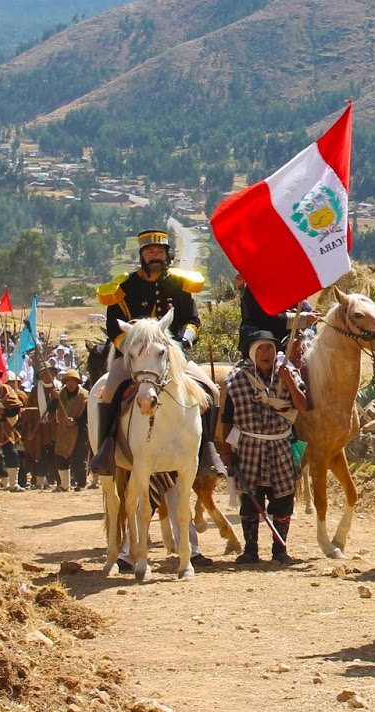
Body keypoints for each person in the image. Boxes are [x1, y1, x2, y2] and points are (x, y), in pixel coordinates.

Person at [89, 228, 217, 475]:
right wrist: (134, 350)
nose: (155, 256)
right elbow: (114, 329)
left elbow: (192, 320)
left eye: (159, 251)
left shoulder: (180, 284)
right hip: (131, 358)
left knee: (212, 392)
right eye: (149, 252)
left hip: (173, 356)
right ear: (142, 256)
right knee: (109, 393)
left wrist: (182, 343)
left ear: (167, 254)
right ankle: (105, 451)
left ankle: (208, 452)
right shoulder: (124, 287)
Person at [221, 329, 310, 564]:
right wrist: (226, 450)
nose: (265, 353)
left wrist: (290, 381)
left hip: (279, 445)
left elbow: (302, 406)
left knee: (283, 500)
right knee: (251, 501)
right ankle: (250, 550)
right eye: (260, 348)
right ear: (252, 352)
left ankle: (279, 550)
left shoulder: (288, 374)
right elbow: (227, 418)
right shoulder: (237, 379)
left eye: (269, 348)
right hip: (248, 447)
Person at [55, 368, 89, 491]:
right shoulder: (61, 394)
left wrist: (76, 421)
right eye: (68, 381)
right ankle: (65, 484)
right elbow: (52, 408)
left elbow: (87, 415)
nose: (70, 384)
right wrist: (54, 398)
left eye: (72, 381)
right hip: (64, 430)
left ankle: (80, 484)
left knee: (80, 458)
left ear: (77, 382)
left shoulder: (84, 395)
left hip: (80, 430)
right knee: (62, 455)